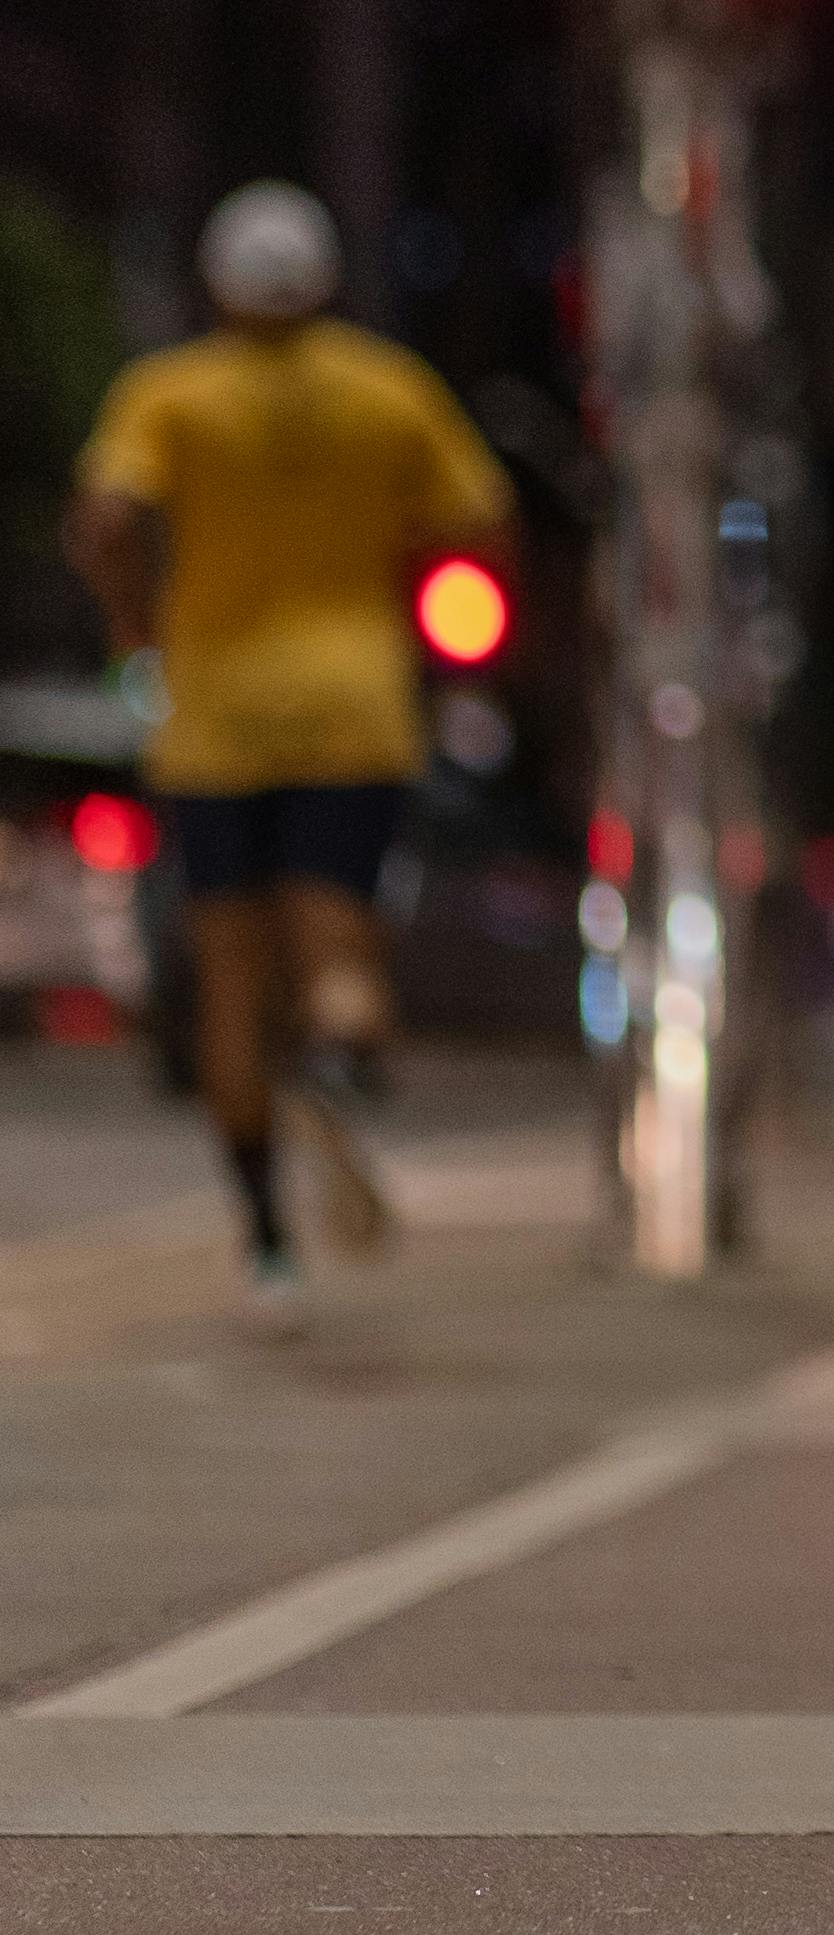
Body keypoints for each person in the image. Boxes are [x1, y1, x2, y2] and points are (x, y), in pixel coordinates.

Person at [68, 183, 515, 1311]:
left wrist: (133, 614)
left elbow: (107, 519)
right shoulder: (385, 389)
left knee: (227, 972)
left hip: (213, 712)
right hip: (352, 699)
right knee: (338, 940)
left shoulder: (170, 393)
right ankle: (341, 1042)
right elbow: (483, 516)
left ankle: (267, 1241)